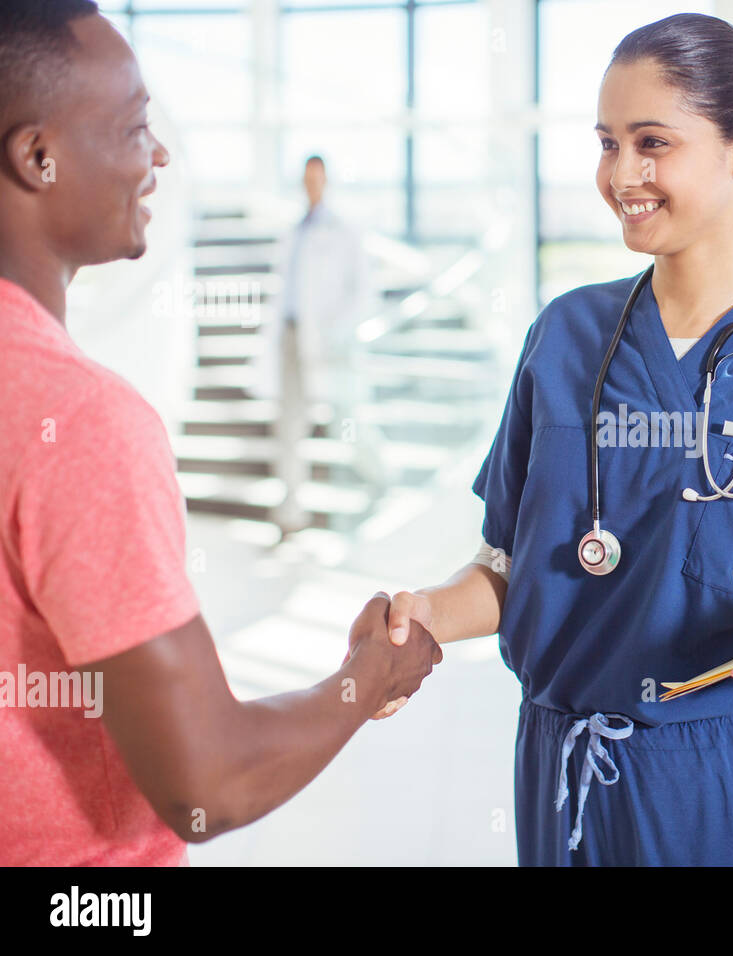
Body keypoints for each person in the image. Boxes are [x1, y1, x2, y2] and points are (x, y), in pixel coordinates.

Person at [387, 12, 733, 866]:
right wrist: (423, 618)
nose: (622, 174)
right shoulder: (565, 337)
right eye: (607, 143)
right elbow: (511, 567)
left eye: (652, 143)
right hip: (565, 770)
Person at [0, 1, 438, 866]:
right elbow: (208, 782)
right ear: (37, 157)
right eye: (134, 128)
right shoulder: (84, 422)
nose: (158, 154)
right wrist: (372, 678)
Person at [260, 154, 378, 538]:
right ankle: (291, 513)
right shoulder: (294, 230)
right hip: (291, 338)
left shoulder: (344, 230)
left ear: (326, 181)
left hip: (330, 344)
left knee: (346, 418)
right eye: (306, 179)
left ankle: (378, 475)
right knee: (289, 425)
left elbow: (362, 292)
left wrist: (335, 333)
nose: (312, 186)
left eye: (317, 179)